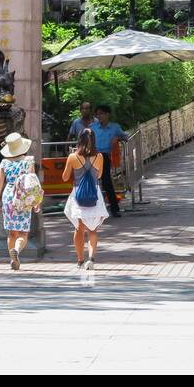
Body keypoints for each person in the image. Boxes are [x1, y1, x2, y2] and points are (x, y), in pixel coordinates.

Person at [0, 132, 41, 269]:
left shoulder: (4, 162)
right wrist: (36, 202)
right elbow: (32, 183)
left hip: (8, 196)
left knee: (12, 232)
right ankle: (17, 251)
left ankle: (13, 260)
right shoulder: (28, 161)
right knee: (23, 233)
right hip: (23, 196)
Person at [62, 128, 107, 270]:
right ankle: (91, 259)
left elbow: (64, 177)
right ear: (94, 140)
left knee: (79, 228)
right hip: (94, 193)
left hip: (78, 195)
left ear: (79, 140)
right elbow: (99, 176)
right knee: (92, 229)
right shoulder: (99, 156)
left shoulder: (73, 157)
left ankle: (80, 260)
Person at [91, 105, 126, 217]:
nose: (99, 116)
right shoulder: (93, 127)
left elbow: (126, 137)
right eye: (98, 114)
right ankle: (92, 208)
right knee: (92, 182)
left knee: (106, 182)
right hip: (92, 156)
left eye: (102, 113)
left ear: (107, 114)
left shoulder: (114, 127)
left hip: (105, 156)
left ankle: (114, 208)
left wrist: (118, 138)